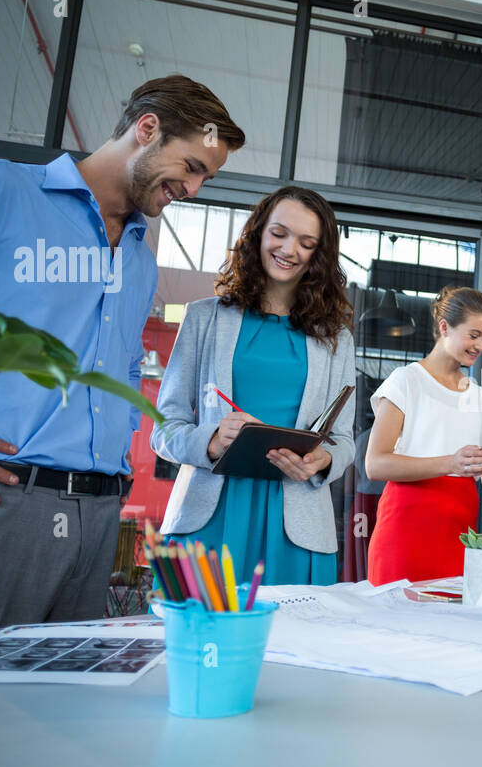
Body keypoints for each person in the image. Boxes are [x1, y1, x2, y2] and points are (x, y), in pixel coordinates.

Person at [0, 75, 243, 635]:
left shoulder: (138, 262)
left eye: (205, 177)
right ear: (147, 129)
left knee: (55, 720)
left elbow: (123, 373)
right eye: (191, 166)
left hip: (97, 527)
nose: (194, 188)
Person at [151, 186, 355, 586]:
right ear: (259, 232)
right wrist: (209, 440)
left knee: (294, 646)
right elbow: (164, 426)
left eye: (306, 242)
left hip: (296, 522)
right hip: (209, 515)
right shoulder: (202, 318)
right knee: (194, 642)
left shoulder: (337, 338)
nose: (289, 249)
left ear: (319, 254)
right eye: (279, 233)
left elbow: (344, 438)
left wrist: (323, 461)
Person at [365, 286, 482, 584]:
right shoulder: (405, 382)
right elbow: (375, 465)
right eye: (474, 334)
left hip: (460, 537)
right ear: (444, 327)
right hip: (404, 531)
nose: (480, 345)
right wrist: (450, 464)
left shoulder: (480, 399)